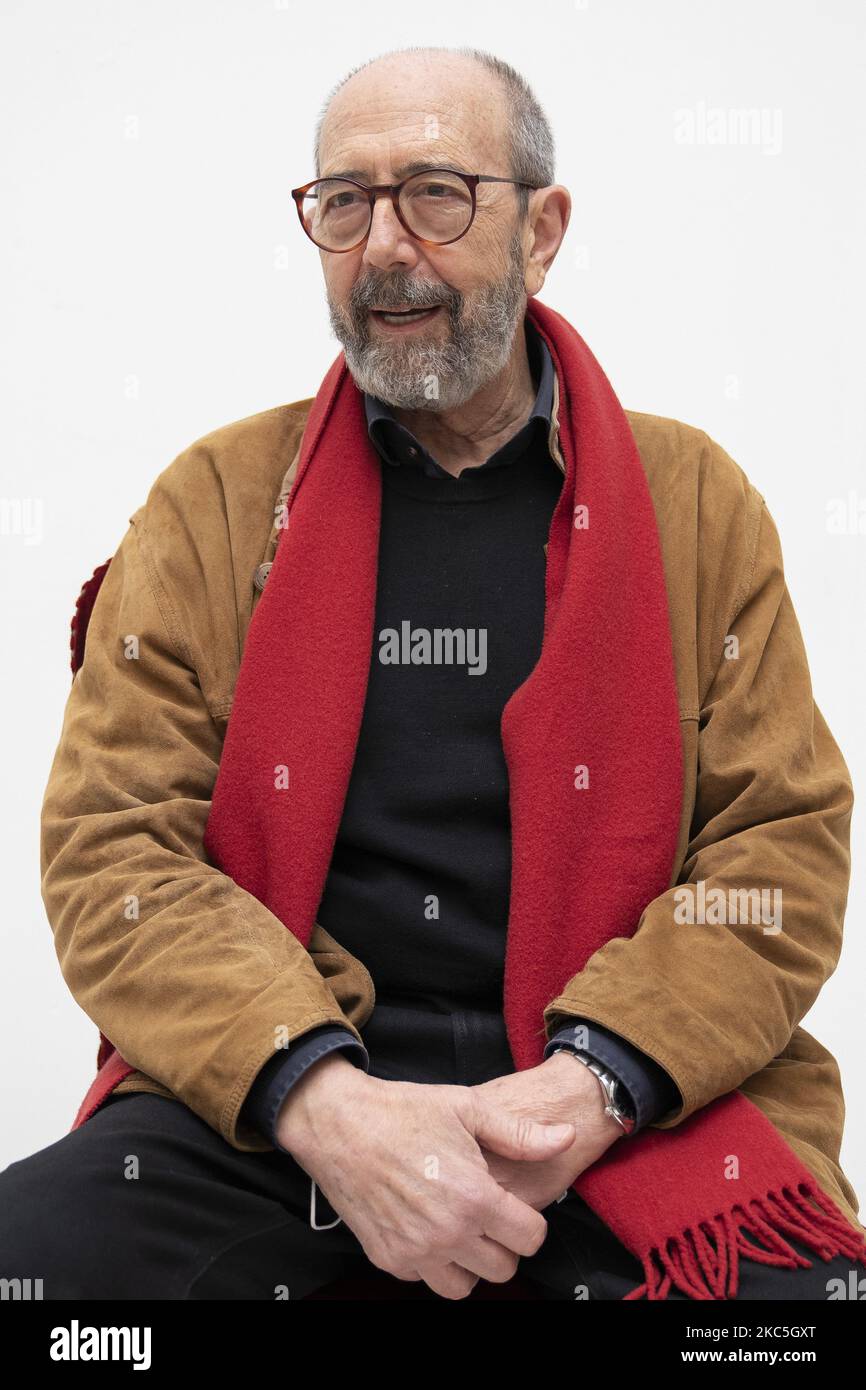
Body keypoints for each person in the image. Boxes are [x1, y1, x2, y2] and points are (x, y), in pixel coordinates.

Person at [2, 45, 863, 1302]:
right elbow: (112, 847)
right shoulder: (215, 503)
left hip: (619, 1101)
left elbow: (779, 850)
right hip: (280, 1095)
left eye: (435, 194)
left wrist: (591, 1087)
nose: (385, 246)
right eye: (343, 203)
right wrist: (331, 1109)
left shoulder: (692, 502)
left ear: (543, 226)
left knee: (795, 1325)